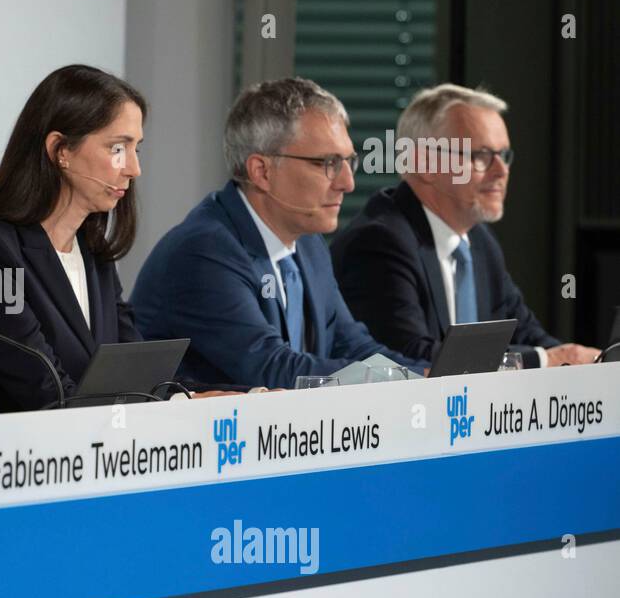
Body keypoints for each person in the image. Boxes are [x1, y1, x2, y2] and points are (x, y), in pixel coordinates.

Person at [131, 77, 424, 388]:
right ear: (262, 171)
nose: (347, 183)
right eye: (328, 162)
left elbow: (353, 346)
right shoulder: (204, 251)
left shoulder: (309, 243)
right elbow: (273, 369)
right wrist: (400, 381)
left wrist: (428, 377)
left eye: (349, 161)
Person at [331, 83, 598, 368]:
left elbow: (527, 331)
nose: (501, 171)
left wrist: (579, 362)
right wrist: (544, 360)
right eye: (481, 156)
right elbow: (408, 354)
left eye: (504, 155)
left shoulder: (479, 240)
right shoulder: (379, 242)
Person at [0, 65, 147, 413]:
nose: (133, 168)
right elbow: (44, 390)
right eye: (118, 148)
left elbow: (136, 374)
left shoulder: (94, 252)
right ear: (61, 150)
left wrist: (189, 398)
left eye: (137, 149)